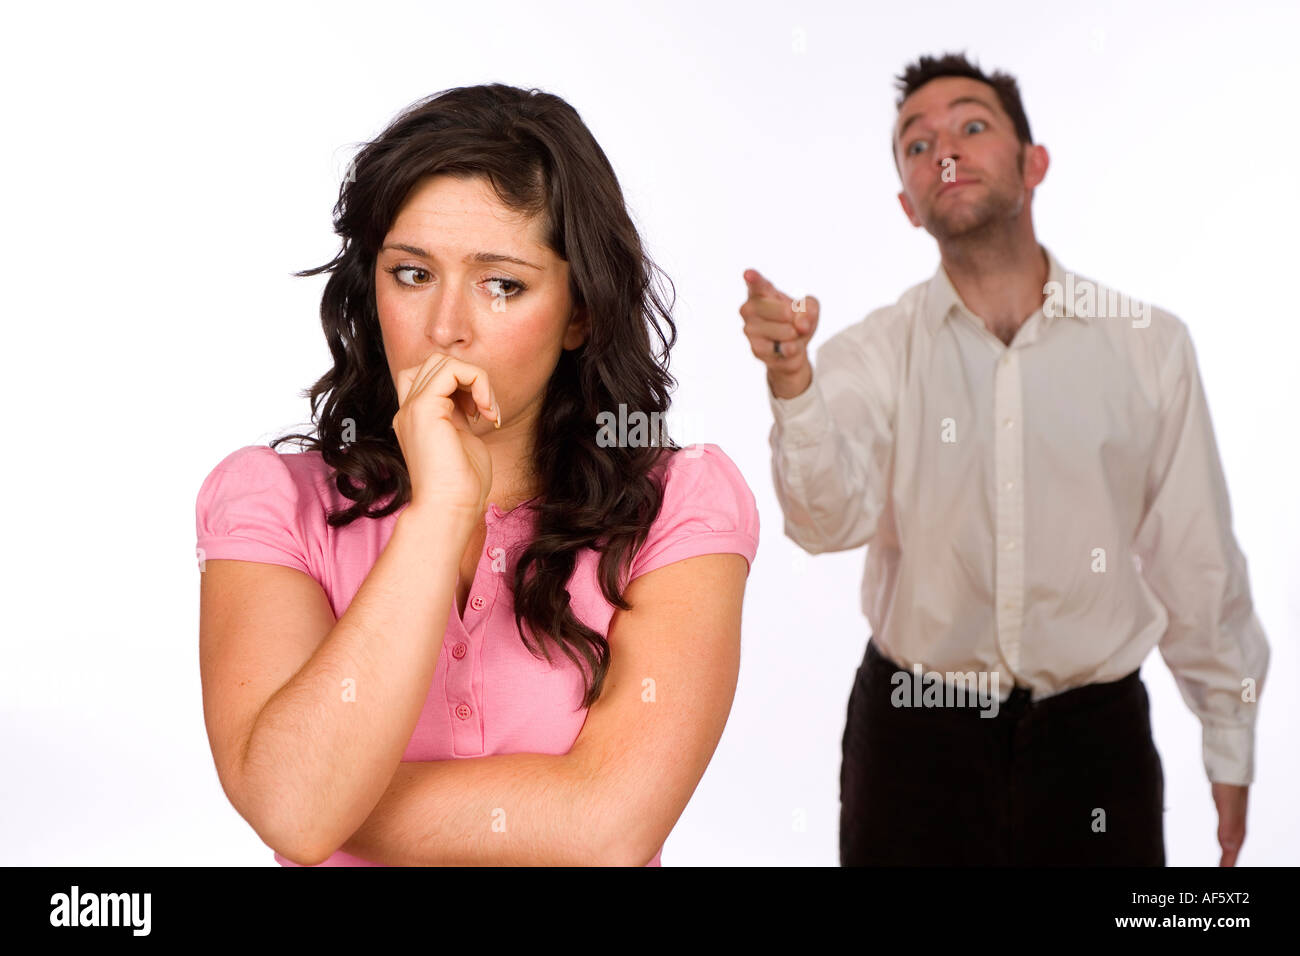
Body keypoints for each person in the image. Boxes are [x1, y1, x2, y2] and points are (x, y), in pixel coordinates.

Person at [195, 83, 759, 867]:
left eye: (503, 284)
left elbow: (607, 830)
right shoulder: (269, 503)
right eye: (413, 274)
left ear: (579, 313)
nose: (445, 329)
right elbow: (292, 810)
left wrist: (338, 794)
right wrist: (440, 512)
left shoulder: (681, 506)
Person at [740, 52, 1268, 866]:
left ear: (1035, 164)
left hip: (1096, 743)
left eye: (972, 126)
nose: (944, 151)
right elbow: (823, 522)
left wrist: (1229, 736)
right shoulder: (870, 353)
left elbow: (1194, 554)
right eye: (917, 145)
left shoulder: (1147, 347)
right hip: (914, 743)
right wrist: (792, 385)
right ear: (907, 206)